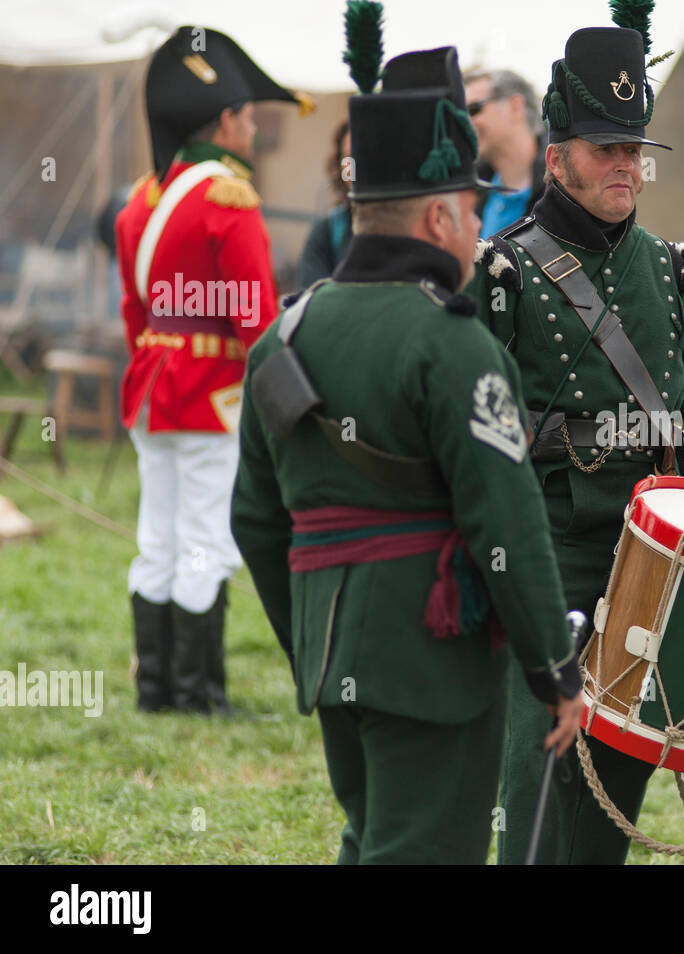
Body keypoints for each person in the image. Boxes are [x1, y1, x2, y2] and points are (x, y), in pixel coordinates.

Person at [230, 34, 583, 864]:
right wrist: (553, 669)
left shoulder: (284, 334)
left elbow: (254, 520)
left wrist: (311, 639)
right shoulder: (450, 344)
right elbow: (505, 521)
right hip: (433, 666)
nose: (476, 230)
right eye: (470, 211)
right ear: (436, 218)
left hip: (331, 656)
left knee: (373, 840)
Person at [469, 7, 684, 865]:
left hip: (647, 557)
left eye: (635, 148)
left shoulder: (668, 269)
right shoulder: (503, 269)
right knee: (538, 776)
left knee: (619, 776)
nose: (627, 164)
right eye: (607, 148)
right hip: (546, 554)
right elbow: (481, 445)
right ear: (556, 158)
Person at [115, 26, 312, 713]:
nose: (255, 128)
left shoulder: (140, 201)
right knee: (202, 535)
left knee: (158, 535)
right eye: (251, 115)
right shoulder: (229, 199)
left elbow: (133, 312)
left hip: (150, 392)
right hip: (208, 398)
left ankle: (155, 689)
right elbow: (257, 323)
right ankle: (198, 693)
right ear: (226, 120)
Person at [464, 69, 546, 236]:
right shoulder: (469, 191)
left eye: (473, 109)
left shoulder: (563, 187)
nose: (465, 123)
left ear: (516, 106)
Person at [297, 120, 354, 288]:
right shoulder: (329, 230)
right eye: (347, 158)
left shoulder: (408, 226)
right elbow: (308, 299)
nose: (353, 169)